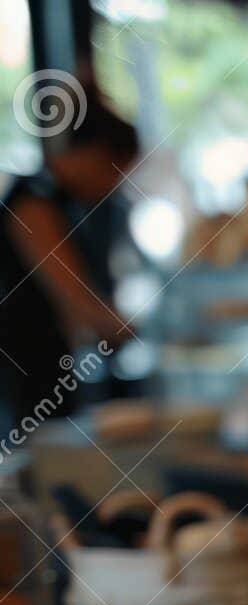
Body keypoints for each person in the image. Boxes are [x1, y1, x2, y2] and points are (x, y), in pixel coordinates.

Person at [0, 88, 140, 433]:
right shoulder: (34, 202)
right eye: (115, 171)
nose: (113, 184)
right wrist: (135, 329)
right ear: (95, 155)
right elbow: (76, 300)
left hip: (41, 364)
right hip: (22, 370)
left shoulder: (57, 199)